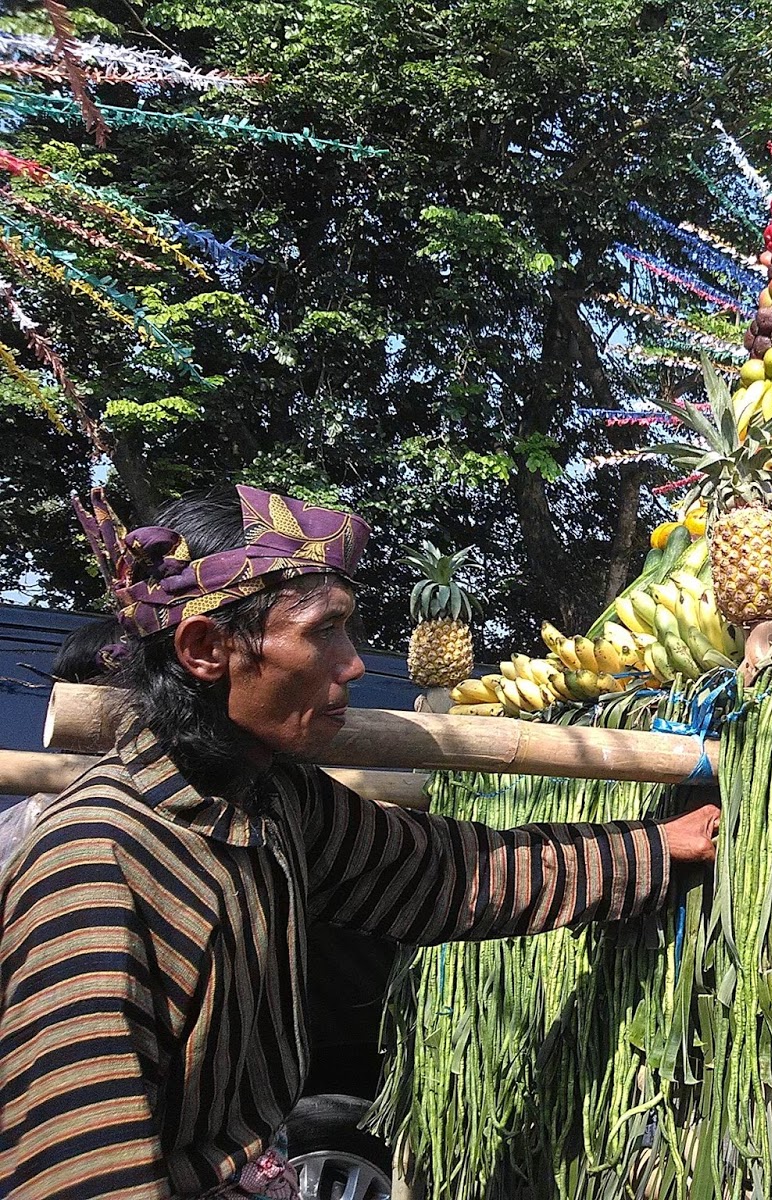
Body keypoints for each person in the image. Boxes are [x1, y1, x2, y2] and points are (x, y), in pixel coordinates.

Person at [0, 484, 722, 1199]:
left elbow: (448, 874)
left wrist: (659, 848)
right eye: (323, 631)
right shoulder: (98, 860)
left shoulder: (270, 799)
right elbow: (76, 1170)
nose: (352, 664)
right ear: (205, 648)